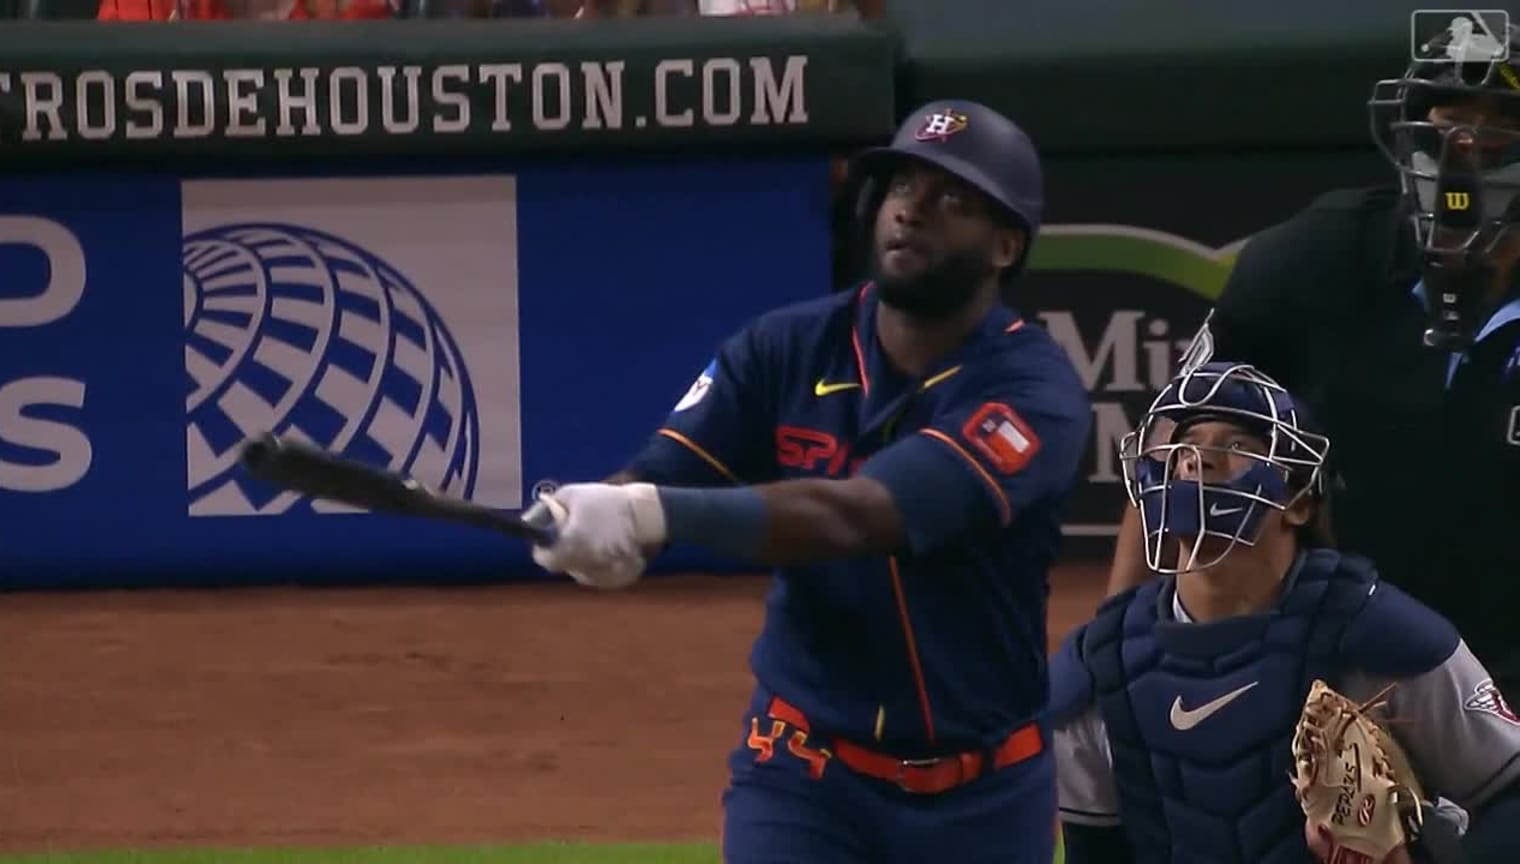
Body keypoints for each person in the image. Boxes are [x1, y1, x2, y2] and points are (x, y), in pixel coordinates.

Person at [525, 100, 1091, 863]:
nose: (909, 211)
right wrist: (598, 520)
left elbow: (859, 517)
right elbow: (663, 472)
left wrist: (646, 513)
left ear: (1004, 246)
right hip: (803, 774)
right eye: (899, 188)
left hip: (983, 798)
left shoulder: (1033, 392)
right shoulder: (786, 346)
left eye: (948, 199)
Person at [1104, 23, 1520, 697]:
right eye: (1442, 126)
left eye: (1496, 135)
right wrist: (1114, 669)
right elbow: (1169, 448)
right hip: (1335, 675)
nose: (1460, 157)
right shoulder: (1314, 262)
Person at [1051, 360, 1520, 864]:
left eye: (1235, 448)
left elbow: (1510, 795)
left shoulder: (1381, 638)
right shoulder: (1099, 669)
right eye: (1184, 449)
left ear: (1298, 502)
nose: (1198, 461)